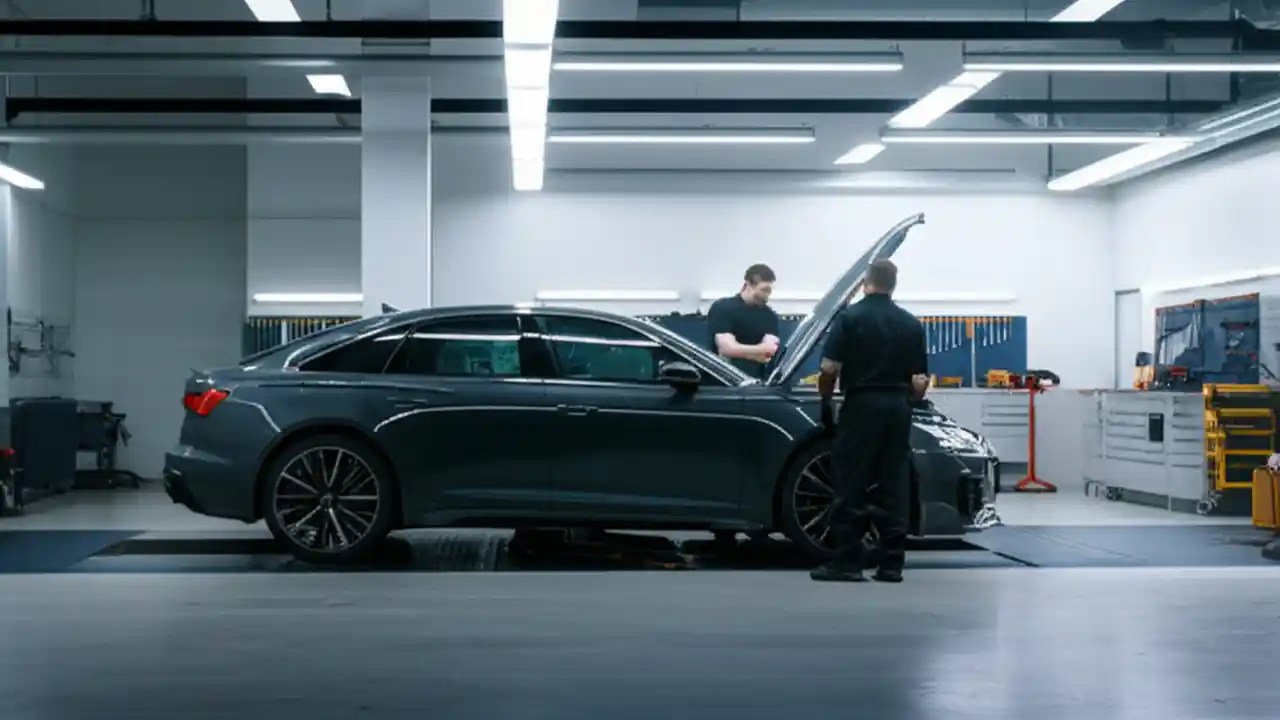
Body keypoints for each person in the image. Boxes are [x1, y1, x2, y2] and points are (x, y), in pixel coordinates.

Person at [810, 259, 929, 584]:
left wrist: (825, 400)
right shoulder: (911, 324)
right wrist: (906, 400)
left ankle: (848, 561)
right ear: (893, 284)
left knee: (852, 482)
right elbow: (919, 382)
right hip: (897, 408)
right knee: (894, 483)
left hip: (861, 405)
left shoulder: (850, 318)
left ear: (866, 282)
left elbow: (829, 370)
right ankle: (891, 565)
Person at [706, 264, 782, 380]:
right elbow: (726, 348)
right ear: (747, 285)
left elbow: (769, 351)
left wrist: (740, 351)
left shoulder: (770, 316)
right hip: (723, 382)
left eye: (769, 291)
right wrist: (757, 354)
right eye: (763, 290)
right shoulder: (723, 308)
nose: (766, 296)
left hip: (755, 383)